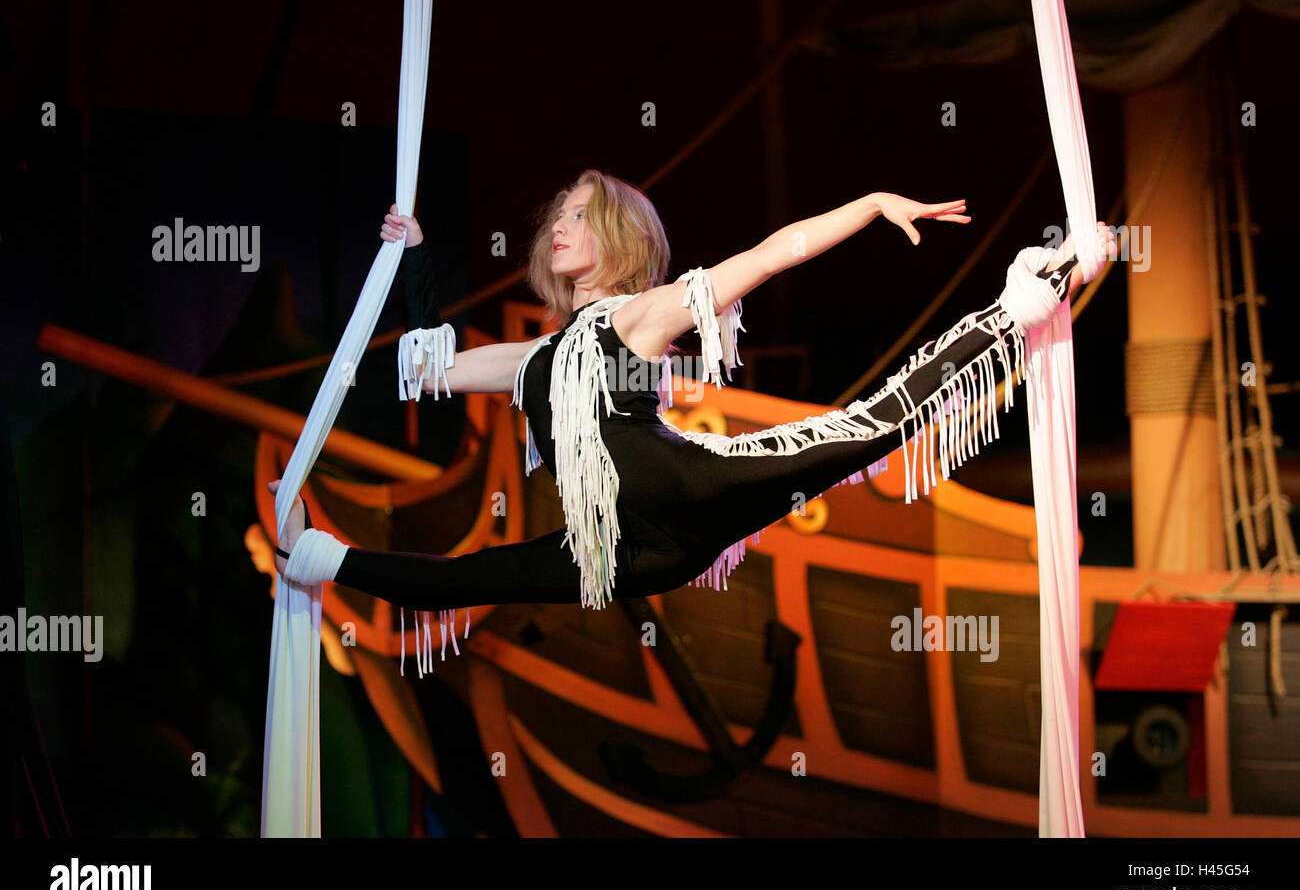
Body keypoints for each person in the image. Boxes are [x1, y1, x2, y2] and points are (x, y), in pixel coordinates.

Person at [270, 169, 1114, 638]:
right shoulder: (532, 359)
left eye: (577, 214)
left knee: (862, 428)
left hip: (685, 487)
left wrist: (870, 204)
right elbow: (433, 366)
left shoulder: (643, 312)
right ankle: (321, 560)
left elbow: (772, 252)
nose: (556, 225)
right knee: (463, 579)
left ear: (619, 238)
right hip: (616, 552)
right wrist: (416, 260)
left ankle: (1025, 300)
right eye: (554, 215)